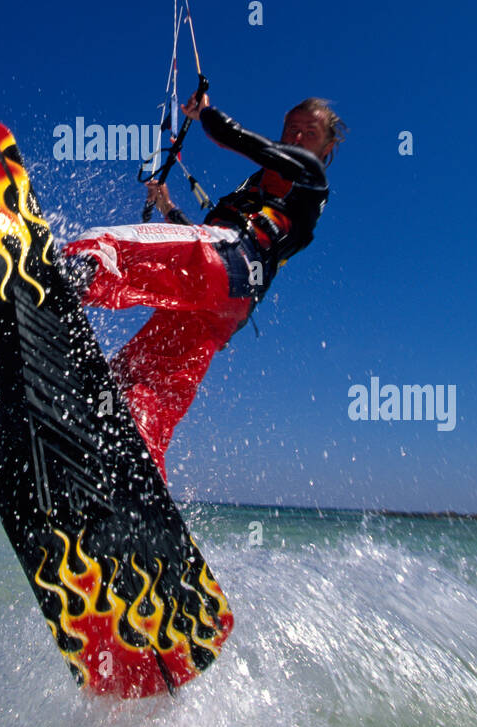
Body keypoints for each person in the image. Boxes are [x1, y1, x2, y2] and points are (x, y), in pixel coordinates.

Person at [63, 93, 345, 480]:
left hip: (230, 264)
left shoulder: (311, 173)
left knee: (108, 245)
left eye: (308, 133)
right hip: (226, 304)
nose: (296, 139)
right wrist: (167, 208)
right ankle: (138, 483)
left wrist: (204, 113)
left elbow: (241, 142)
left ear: (326, 147)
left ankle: (53, 279)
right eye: (291, 130)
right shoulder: (256, 192)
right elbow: (199, 242)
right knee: (142, 384)